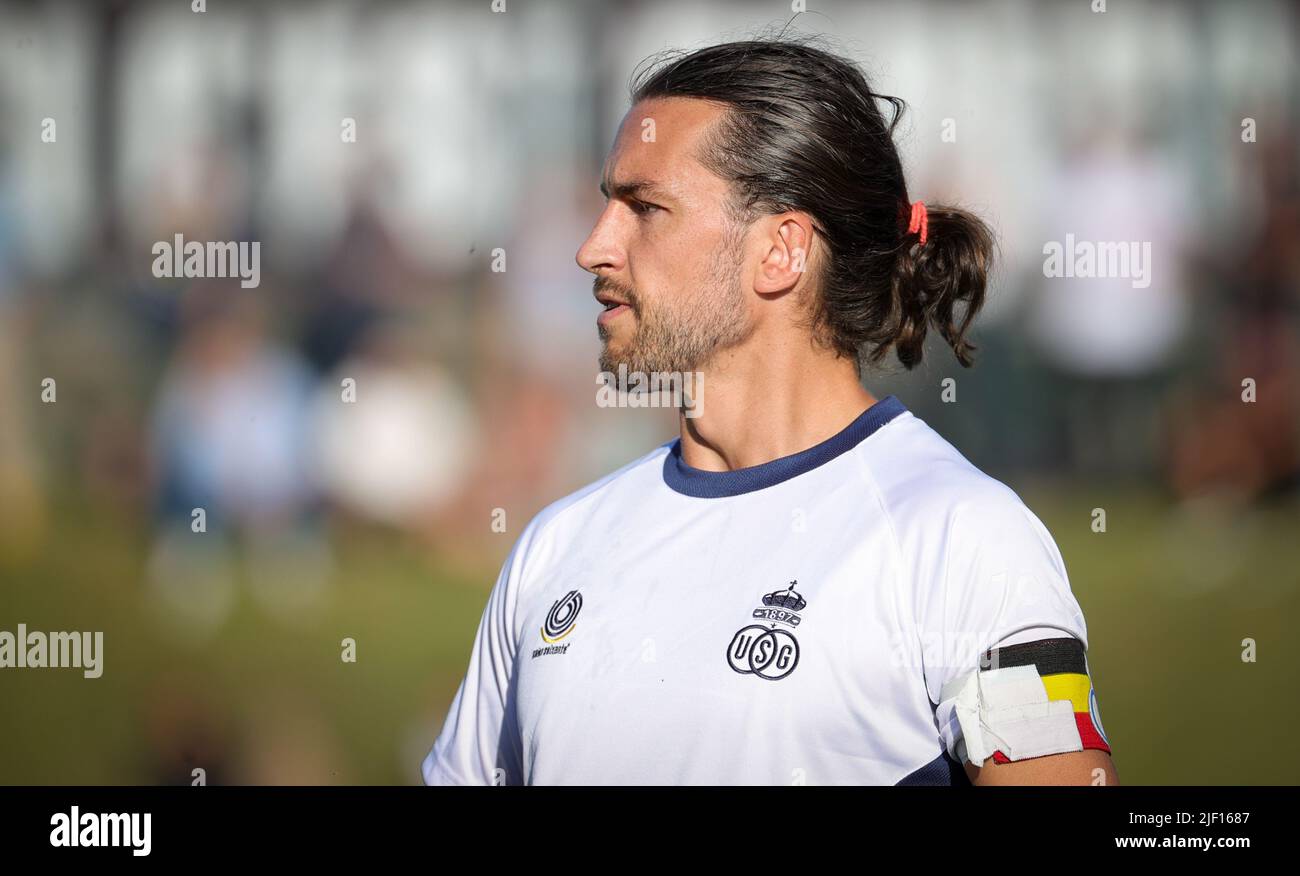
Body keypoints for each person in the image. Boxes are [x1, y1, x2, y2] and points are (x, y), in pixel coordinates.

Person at [423, 37, 1117, 785]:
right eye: (606, 205)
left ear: (782, 251)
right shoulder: (555, 547)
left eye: (645, 208)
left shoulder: (962, 537)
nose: (593, 248)